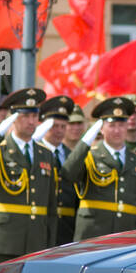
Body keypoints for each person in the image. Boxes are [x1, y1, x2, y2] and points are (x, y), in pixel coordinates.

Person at [0, 87, 59, 267]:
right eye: (25, 116)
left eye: (34, 115)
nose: (32, 121)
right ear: (13, 119)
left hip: (37, 242)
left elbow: (51, 207)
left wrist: (50, 244)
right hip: (4, 240)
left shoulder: (46, 154)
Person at [63, 97, 136, 240]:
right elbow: (69, 173)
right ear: (101, 128)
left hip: (128, 235)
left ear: (127, 126)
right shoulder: (89, 156)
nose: (117, 130)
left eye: (121, 124)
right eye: (112, 125)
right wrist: (84, 143)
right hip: (93, 234)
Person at [37, 95, 78, 245]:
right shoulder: (35, 153)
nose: (59, 131)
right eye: (54, 126)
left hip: (67, 226)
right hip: (40, 222)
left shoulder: (71, 155)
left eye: (63, 126)